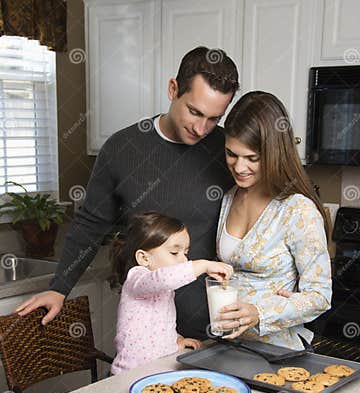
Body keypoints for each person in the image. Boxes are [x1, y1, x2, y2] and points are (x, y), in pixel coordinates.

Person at [15, 46, 239, 340]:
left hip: (213, 323)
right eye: (194, 112)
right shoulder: (122, 149)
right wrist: (60, 287)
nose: (201, 128)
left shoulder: (227, 152)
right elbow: (90, 224)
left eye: (213, 119)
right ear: (173, 89)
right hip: (145, 325)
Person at [214, 91, 332, 350]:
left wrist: (260, 312)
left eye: (252, 158)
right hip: (228, 347)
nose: (239, 167)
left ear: (273, 153)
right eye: (231, 154)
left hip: (279, 352)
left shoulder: (297, 210)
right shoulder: (229, 197)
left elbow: (320, 297)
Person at [110, 211, 233, 374]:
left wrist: (177, 340)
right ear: (144, 258)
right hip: (130, 373)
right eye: (175, 253)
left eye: (186, 253)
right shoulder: (137, 280)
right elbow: (164, 278)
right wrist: (202, 265)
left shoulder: (164, 290)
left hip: (158, 370)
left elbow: (160, 324)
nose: (184, 260)